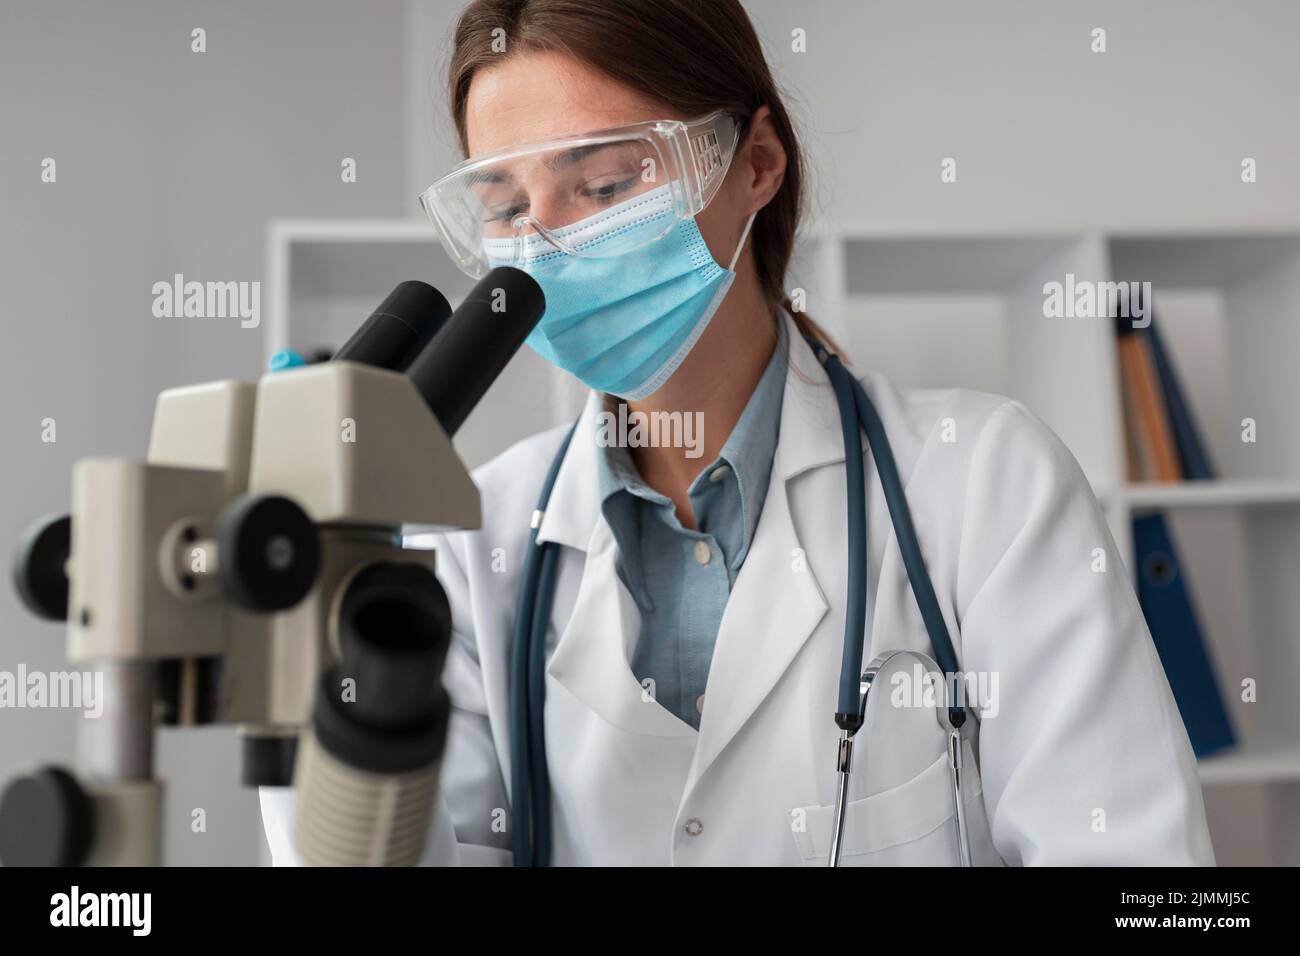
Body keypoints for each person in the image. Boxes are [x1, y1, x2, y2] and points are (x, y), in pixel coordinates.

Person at [261, 0, 1214, 866]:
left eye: (599, 185)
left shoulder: (986, 486)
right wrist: (300, 646)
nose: (543, 249)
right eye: (507, 209)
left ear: (755, 162)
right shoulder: (472, 542)